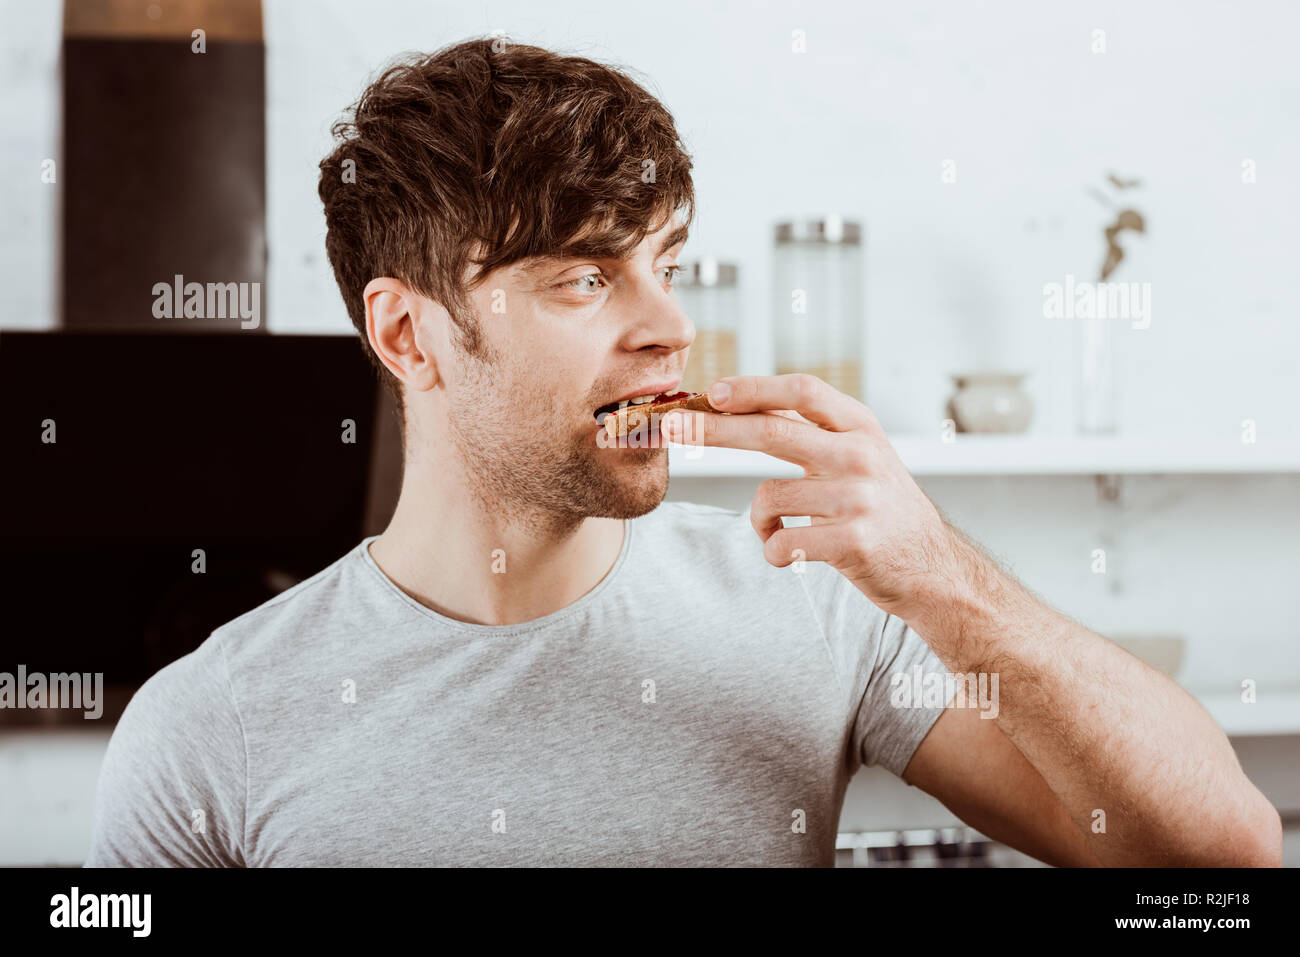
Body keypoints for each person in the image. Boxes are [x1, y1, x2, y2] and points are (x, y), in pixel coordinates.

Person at [85, 38, 1280, 867]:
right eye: (583, 278)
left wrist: (942, 578)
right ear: (408, 333)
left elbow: (1217, 854)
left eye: (664, 262)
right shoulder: (214, 727)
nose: (667, 324)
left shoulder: (809, 612)